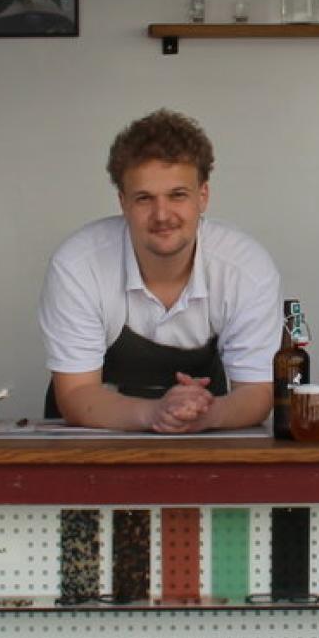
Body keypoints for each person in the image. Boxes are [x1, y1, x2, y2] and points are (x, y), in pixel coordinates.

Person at [39, 109, 281, 432]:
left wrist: (205, 414)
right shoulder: (78, 265)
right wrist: (156, 413)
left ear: (203, 196)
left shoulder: (247, 269)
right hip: (91, 444)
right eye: (144, 199)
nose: (162, 214)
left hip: (205, 441)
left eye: (177, 195)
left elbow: (257, 391)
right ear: (123, 202)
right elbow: (76, 393)